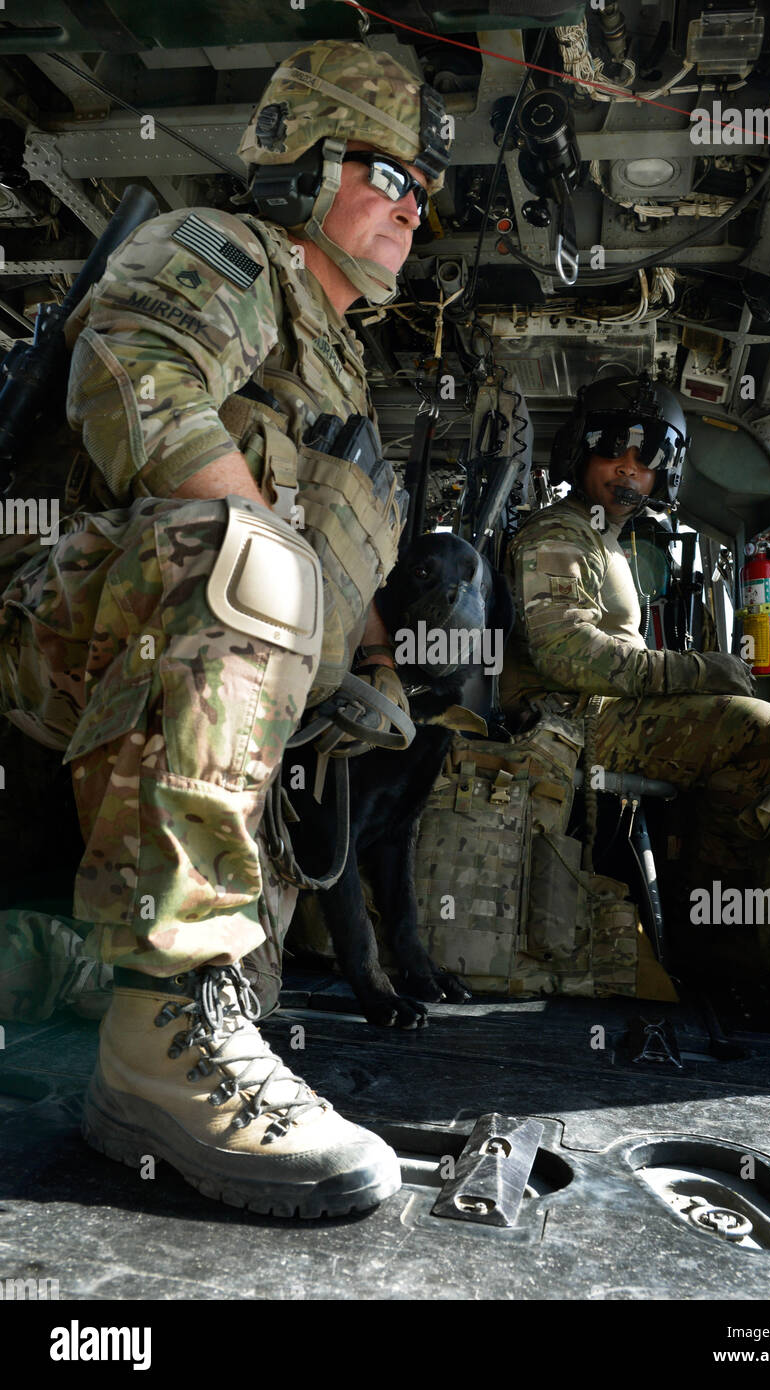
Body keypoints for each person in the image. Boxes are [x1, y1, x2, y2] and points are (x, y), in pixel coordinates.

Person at [0, 40, 451, 1218]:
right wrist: (282, 590)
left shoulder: (340, 372)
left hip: (165, 683)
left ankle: (153, 1017)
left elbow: (340, 580)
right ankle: (160, 1038)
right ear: (303, 167)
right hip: (63, 630)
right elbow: (134, 372)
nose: (413, 207)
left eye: (421, 190)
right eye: (385, 173)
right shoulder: (231, 254)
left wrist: (367, 675)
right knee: (248, 555)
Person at [500, 370, 770, 904]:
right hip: (568, 717)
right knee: (765, 733)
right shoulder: (560, 531)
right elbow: (565, 653)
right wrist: (701, 669)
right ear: (579, 451)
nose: (629, 468)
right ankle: (707, 915)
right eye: (614, 448)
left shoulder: (601, 537)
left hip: (596, 713)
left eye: (649, 459)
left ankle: (690, 893)